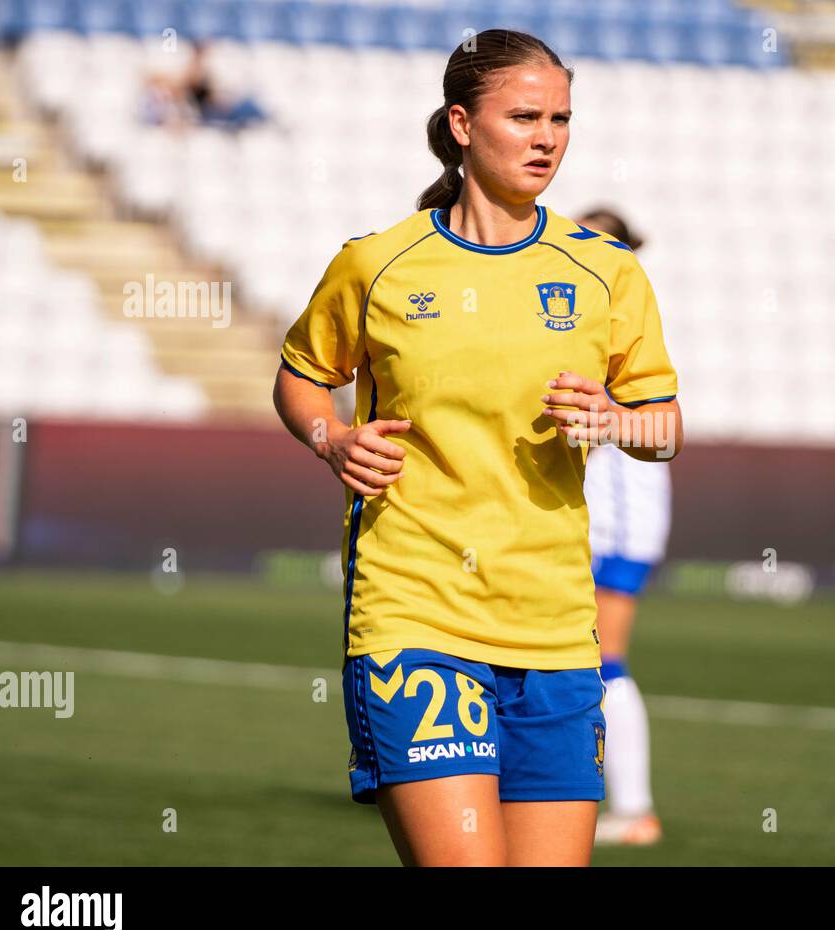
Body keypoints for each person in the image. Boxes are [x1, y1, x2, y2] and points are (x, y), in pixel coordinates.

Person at [272, 29, 683, 865]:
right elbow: (301, 376)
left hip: (555, 634)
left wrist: (615, 422)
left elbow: (664, 429)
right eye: (524, 115)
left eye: (562, 119)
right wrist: (332, 440)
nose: (548, 138)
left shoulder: (608, 273)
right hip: (415, 615)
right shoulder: (378, 264)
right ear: (462, 124)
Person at [576, 208, 669, 846]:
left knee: (604, 660)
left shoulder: (610, 306)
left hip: (615, 516)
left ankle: (634, 810)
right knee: (583, 659)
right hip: (621, 512)